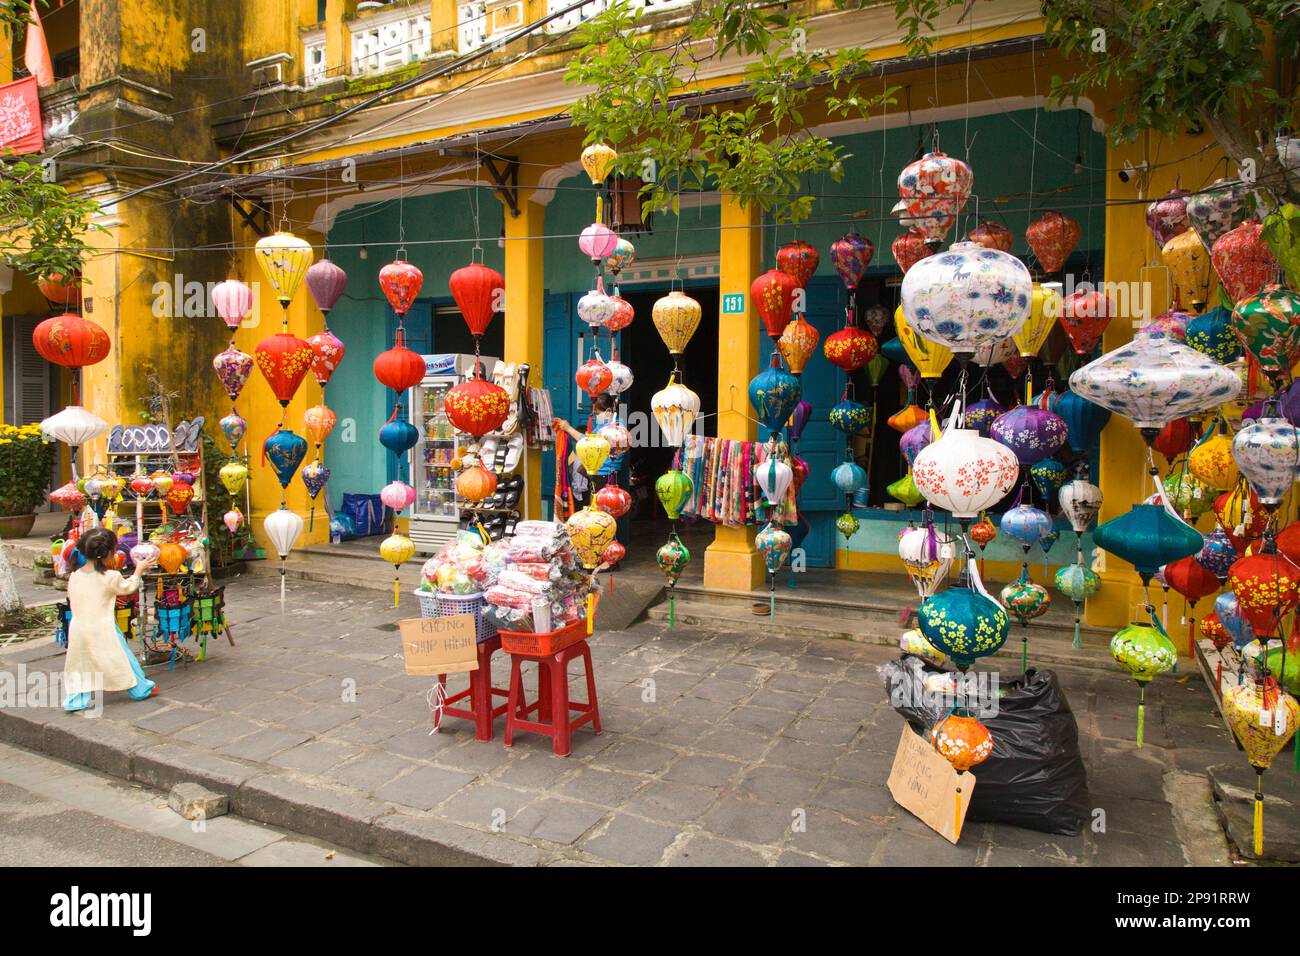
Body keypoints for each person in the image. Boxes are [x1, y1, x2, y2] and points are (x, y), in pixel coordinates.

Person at [62, 526, 159, 713]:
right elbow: (128, 587)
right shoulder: (110, 576)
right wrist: (139, 569)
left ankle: (75, 700)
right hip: (103, 627)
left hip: (78, 627)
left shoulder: (75, 575)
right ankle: (140, 687)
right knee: (122, 658)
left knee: (80, 662)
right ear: (108, 554)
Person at [554, 393, 626, 510]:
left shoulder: (616, 427)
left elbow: (590, 443)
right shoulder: (604, 423)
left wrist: (568, 428)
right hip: (598, 474)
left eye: (597, 413)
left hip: (606, 476)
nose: (595, 416)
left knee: (602, 514)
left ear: (608, 411)